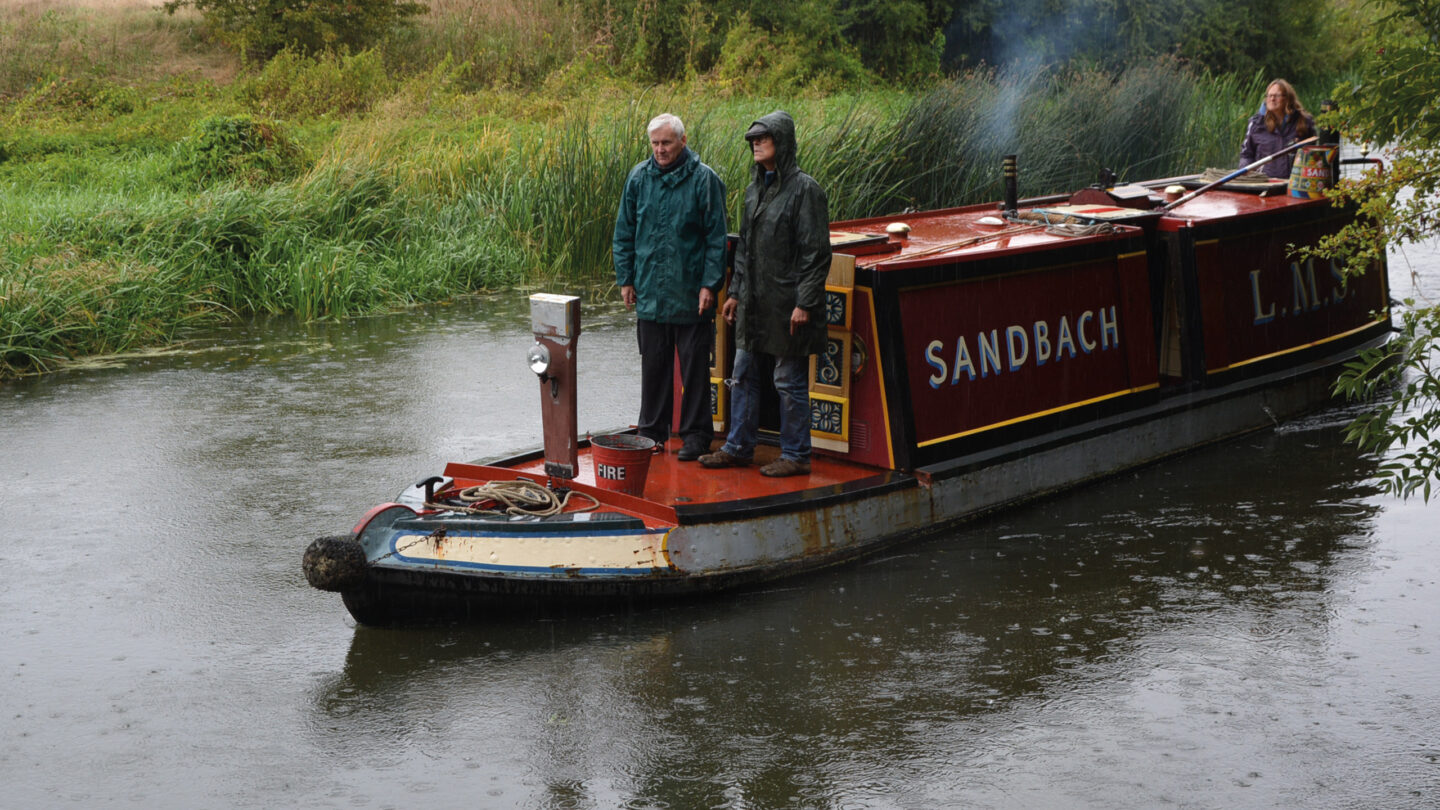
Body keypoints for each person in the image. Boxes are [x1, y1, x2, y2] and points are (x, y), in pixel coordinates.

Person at [699, 111, 831, 478]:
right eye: (752, 140)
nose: (755, 144)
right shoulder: (753, 190)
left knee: (788, 381)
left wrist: (805, 303)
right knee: (742, 373)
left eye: (763, 139)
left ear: (782, 143)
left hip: (788, 304)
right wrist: (735, 293)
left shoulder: (806, 190)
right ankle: (738, 447)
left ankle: (796, 455)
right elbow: (745, 249)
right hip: (755, 304)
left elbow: (816, 254)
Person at [613, 113, 729, 461]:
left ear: (683, 140)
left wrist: (710, 285)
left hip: (691, 294)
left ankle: (696, 436)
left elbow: (716, 239)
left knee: (695, 370)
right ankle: (651, 433)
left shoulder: (705, 179)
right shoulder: (638, 177)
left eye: (666, 142)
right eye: (655, 143)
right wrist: (626, 279)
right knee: (653, 368)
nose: (660, 149)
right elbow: (624, 232)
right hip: (650, 292)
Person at [1239, 79, 1315, 178]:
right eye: (1269, 95)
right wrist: (1245, 173)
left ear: (1287, 99)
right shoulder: (1256, 123)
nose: (1272, 99)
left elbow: (1314, 155)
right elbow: (1246, 155)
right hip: (1265, 182)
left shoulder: (1304, 121)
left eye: (1277, 96)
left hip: (1295, 182)